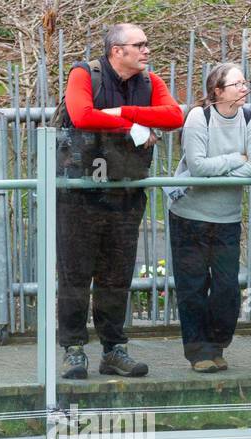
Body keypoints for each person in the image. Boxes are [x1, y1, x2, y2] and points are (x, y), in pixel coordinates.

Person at [55, 23, 184, 380]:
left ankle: (113, 349)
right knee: (75, 275)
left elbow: (174, 116)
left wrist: (122, 114)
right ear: (117, 51)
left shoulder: (150, 81)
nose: (146, 51)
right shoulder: (84, 74)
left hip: (125, 194)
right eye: (139, 45)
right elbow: (81, 115)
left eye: (146, 44)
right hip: (79, 194)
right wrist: (134, 125)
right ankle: (74, 350)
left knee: (117, 277)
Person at [167, 62, 251, 372]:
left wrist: (220, 168)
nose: (243, 88)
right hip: (189, 217)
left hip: (227, 218)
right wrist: (237, 160)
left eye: (244, 83)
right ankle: (198, 352)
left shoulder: (249, 118)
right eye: (236, 84)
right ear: (218, 91)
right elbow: (197, 167)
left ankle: (217, 343)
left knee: (226, 288)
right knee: (193, 286)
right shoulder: (199, 117)